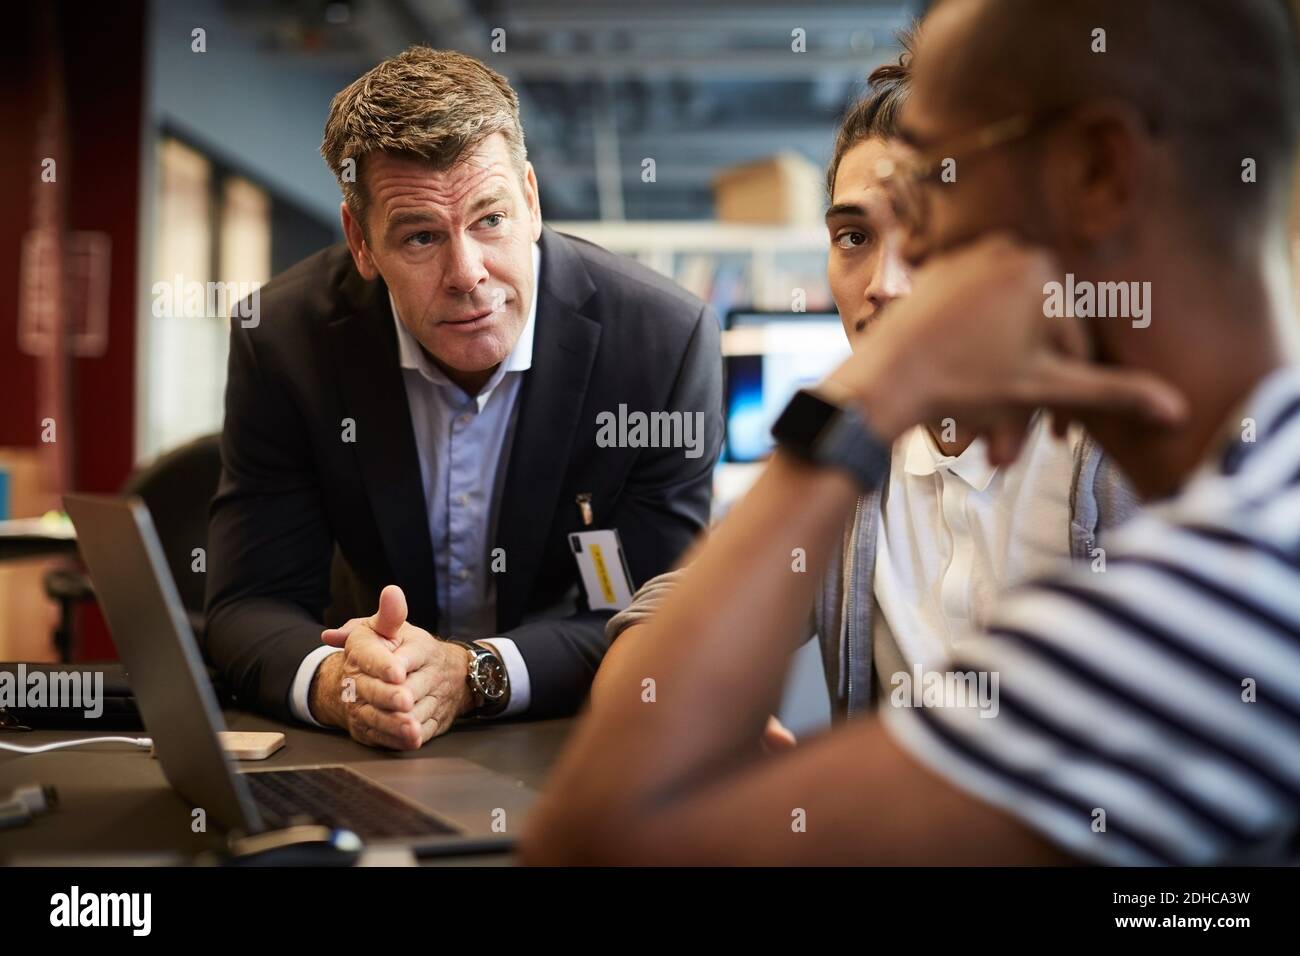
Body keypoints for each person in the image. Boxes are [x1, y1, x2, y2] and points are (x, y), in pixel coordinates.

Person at [522, 0, 1300, 865]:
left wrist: (870, 388)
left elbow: (601, 837)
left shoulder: (1233, 591)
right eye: (860, 229)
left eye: (939, 179)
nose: (895, 274)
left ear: (1097, 173)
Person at [598, 32, 1136, 741]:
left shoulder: (1111, 451)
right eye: (853, 237)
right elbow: (654, 626)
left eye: (926, 232)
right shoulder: (855, 461)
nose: (883, 285)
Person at [203, 47, 723, 750]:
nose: (468, 274)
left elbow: (656, 614)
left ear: (531, 201)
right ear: (361, 243)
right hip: (371, 744)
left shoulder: (662, 345)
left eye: (490, 219)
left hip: (568, 736)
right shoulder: (285, 342)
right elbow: (248, 604)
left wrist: (474, 672)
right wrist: (341, 685)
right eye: (420, 236)